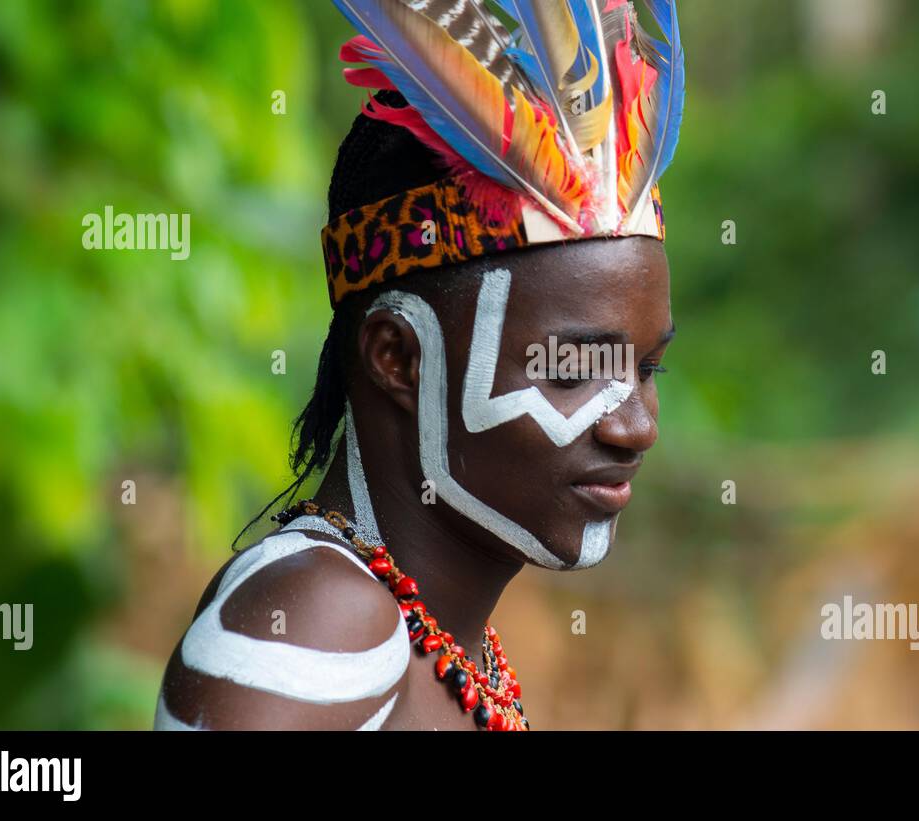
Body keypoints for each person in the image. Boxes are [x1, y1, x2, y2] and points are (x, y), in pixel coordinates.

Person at [153, 0, 683, 730]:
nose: (634, 426)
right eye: (571, 367)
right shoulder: (321, 622)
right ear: (398, 358)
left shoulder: (434, 641)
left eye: (647, 367)